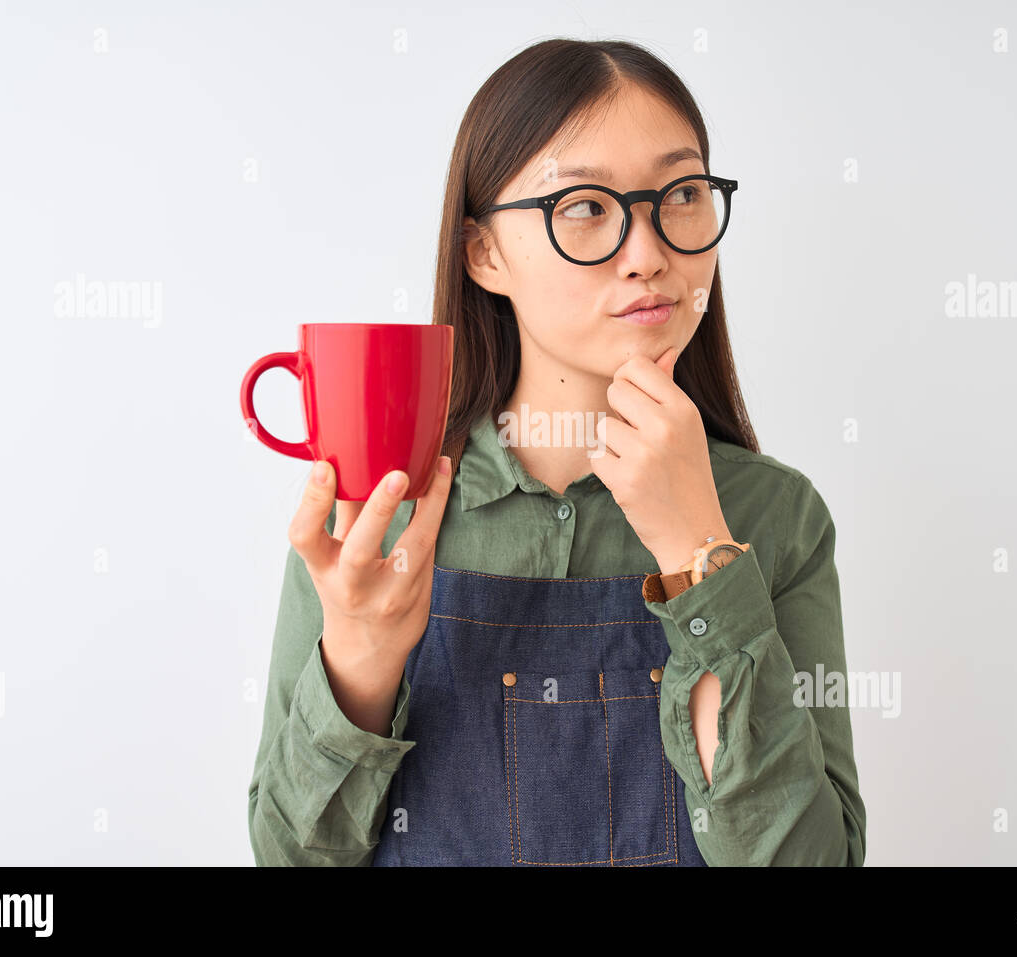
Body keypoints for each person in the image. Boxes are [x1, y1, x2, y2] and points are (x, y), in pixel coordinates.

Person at [248, 37, 866, 866]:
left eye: (681, 194)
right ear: (484, 254)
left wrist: (697, 553)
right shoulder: (375, 514)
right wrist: (361, 662)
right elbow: (291, 856)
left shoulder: (776, 517)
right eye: (584, 206)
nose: (649, 253)